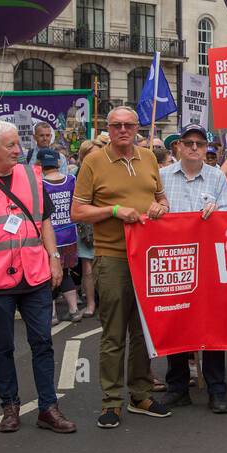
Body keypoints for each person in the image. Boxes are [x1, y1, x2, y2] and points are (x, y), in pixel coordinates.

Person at [0, 121, 75, 436]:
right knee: (3, 344)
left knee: (43, 342)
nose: (18, 151)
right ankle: (10, 406)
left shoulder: (32, 177)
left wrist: (54, 258)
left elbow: (45, 220)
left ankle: (48, 407)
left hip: (35, 274)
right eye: (10, 146)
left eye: (17, 144)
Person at [72, 106, 172, 429]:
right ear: (109, 129)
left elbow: (163, 199)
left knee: (143, 330)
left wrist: (160, 207)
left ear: (137, 128)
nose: (123, 130)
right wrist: (114, 210)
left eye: (129, 125)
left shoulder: (149, 158)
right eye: (116, 125)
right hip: (112, 255)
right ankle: (111, 400)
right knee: (113, 332)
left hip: (147, 256)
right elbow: (77, 211)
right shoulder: (93, 161)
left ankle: (140, 393)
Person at [159, 123, 227, 411]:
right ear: (178, 146)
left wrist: (217, 214)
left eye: (199, 144)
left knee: (212, 324)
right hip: (174, 263)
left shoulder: (217, 178)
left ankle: (217, 389)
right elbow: (153, 210)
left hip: (209, 264)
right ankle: (177, 387)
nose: (193, 148)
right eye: (188, 142)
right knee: (176, 322)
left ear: (207, 148)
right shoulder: (162, 177)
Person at [38, 149, 80, 325]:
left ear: (41, 165)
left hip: (50, 239)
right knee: (65, 272)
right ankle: (74, 310)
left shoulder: (40, 184)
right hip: (70, 236)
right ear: (57, 162)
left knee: (49, 275)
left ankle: (52, 314)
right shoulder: (71, 180)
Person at [73, 140, 98, 321]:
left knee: (105, 268)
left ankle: (105, 303)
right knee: (87, 268)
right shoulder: (76, 175)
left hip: (105, 224)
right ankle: (90, 304)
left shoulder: (108, 173)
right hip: (84, 226)